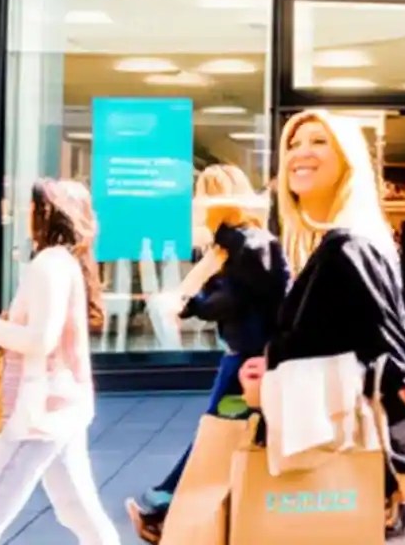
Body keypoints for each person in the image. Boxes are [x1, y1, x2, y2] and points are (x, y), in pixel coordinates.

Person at [241, 110, 405, 538]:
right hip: (333, 453)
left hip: (330, 455)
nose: (300, 153)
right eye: (292, 144)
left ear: (348, 162)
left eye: (318, 141)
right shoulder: (349, 242)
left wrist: (268, 384)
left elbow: (388, 360)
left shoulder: (347, 248)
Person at [0, 179, 119, 545]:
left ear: (44, 214)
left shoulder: (50, 264)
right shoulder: (65, 263)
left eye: (29, 207)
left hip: (36, 408)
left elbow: (40, 340)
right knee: (77, 508)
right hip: (60, 403)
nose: (22, 214)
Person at [125, 164, 287, 543]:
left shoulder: (247, 244)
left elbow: (231, 298)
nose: (197, 206)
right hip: (250, 356)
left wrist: (189, 305)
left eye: (203, 196)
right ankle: (170, 506)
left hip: (249, 360)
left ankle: (165, 506)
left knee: (216, 431)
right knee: (226, 431)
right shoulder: (239, 243)